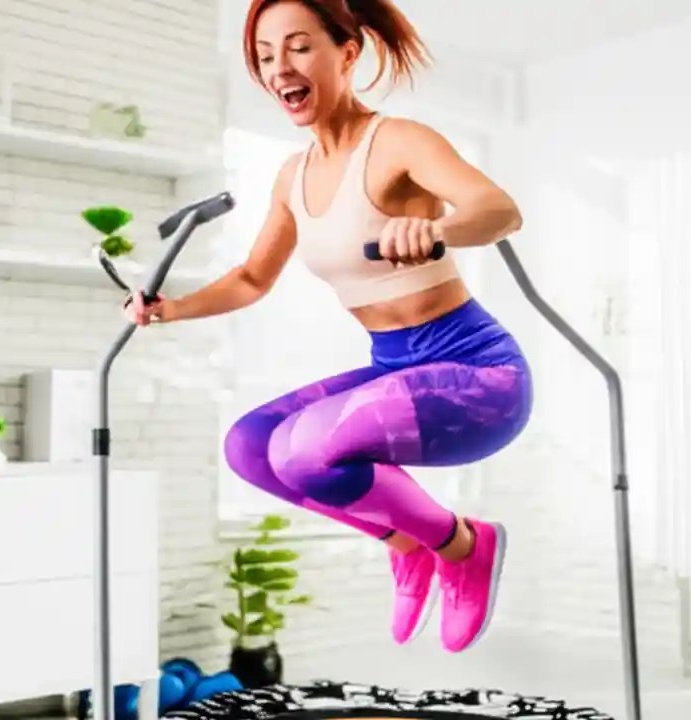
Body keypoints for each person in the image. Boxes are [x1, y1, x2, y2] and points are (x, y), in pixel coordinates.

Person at [123, 0, 530, 653]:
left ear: (347, 52)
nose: (279, 67)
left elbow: (499, 209)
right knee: (250, 447)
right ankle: (408, 544)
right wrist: (171, 308)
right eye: (264, 56)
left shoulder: (398, 141)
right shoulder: (293, 175)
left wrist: (435, 227)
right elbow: (252, 278)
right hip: (397, 368)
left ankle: (463, 545)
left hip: (478, 377)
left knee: (303, 449)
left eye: (298, 46)